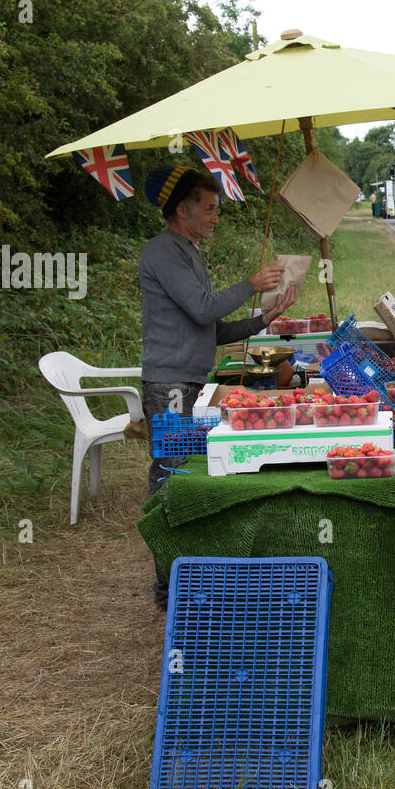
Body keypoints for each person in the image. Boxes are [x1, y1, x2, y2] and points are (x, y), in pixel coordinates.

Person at [138, 166, 296, 608]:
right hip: (168, 385)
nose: (215, 217)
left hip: (189, 381)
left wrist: (265, 319)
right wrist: (251, 284)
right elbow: (203, 308)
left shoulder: (189, 252)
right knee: (171, 479)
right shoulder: (162, 252)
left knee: (189, 477)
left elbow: (212, 328)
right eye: (209, 209)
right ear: (182, 210)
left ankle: (188, 577)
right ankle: (169, 587)